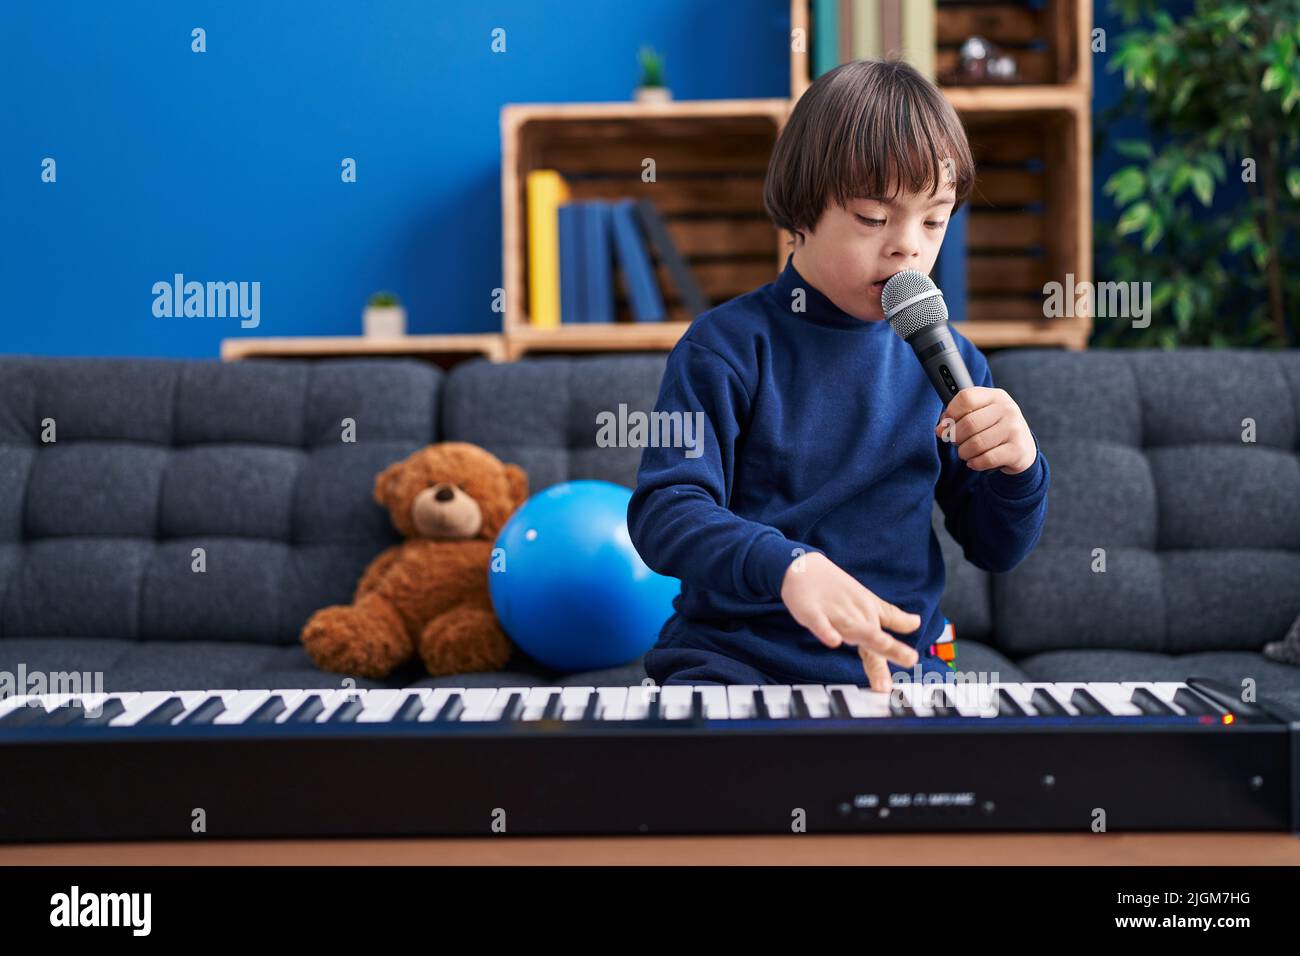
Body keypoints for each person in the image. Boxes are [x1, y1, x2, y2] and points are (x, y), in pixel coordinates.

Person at [626, 59, 1050, 691]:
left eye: (934, 219)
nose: (908, 245)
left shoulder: (953, 361)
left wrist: (1020, 471)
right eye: (874, 218)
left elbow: (995, 549)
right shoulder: (725, 347)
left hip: (902, 672)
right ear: (802, 213)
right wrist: (788, 566)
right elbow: (665, 511)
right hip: (735, 665)